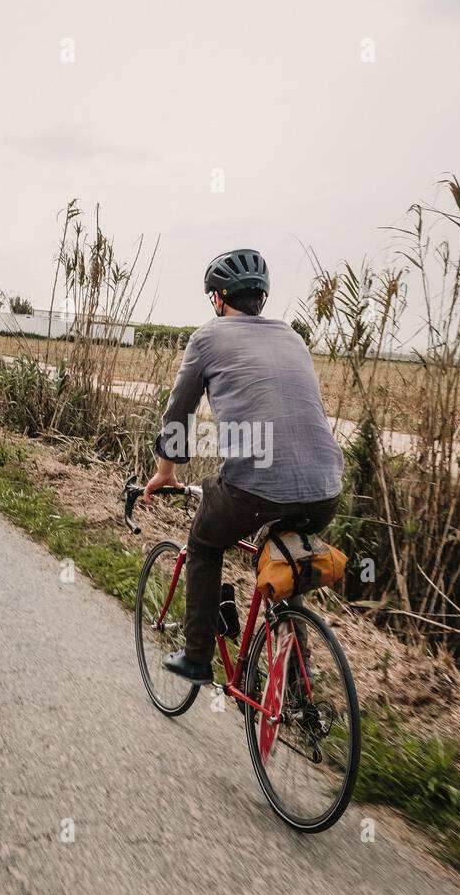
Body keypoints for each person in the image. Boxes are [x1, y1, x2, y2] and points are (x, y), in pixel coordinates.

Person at [143, 248, 344, 683]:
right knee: (287, 558)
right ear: (262, 298)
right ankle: (297, 688)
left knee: (205, 543)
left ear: (218, 299)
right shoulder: (292, 336)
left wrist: (166, 470)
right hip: (326, 486)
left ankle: (197, 657)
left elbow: (180, 412)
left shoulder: (208, 337)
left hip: (257, 486)